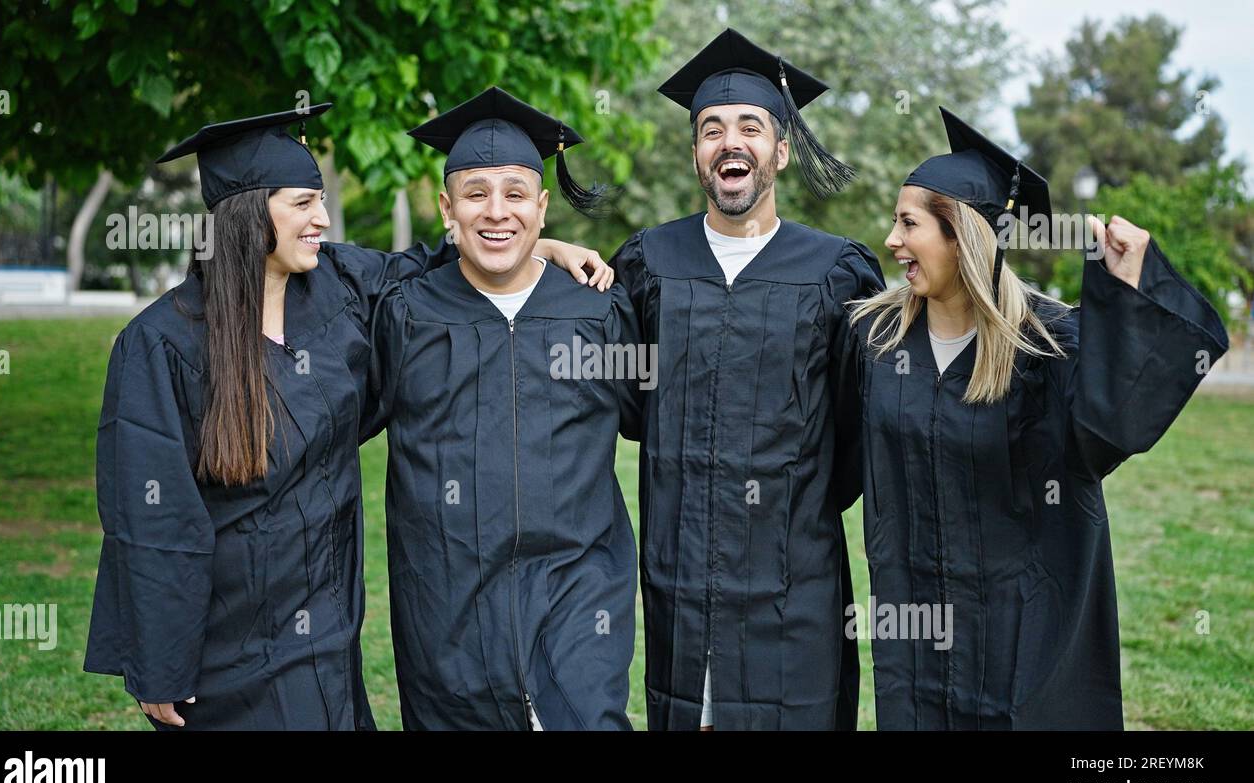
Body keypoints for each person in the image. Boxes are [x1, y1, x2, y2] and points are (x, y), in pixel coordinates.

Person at [83, 103, 614, 730]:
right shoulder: (161, 344)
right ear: (251, 214)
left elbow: (432, 263)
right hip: (227, 643)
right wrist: (160, 660)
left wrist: (542, 245)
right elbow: (152, 517)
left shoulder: (337, 285)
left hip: (327, 628)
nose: (322, 220)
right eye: (304, 204)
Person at [849, 107, 1230, 729]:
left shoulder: (1049, 347)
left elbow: (1115, 428)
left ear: (962, 237)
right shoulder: (877, 341)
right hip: (916, 635)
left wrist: (1125, 294)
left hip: (1025, 635)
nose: (891, 240)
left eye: (908, 223)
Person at [329, 87, 645, 730]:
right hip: (446, 604)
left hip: (577, 592)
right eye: (476, 194)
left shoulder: (598, 313)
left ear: (543, 206)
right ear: (447, 208)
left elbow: (656, 421)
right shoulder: (408, 315)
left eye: (515, 193)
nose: (496, 212)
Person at [608, 29, 884, 730]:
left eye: (751, 127)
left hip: (795, 581)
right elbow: (632, 408)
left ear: (781, 151)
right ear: (695, 152)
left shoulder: (835, 272)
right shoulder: (648, 262)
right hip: (680, 572)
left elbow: (856, 429)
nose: (730, 143)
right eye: (711, 129)